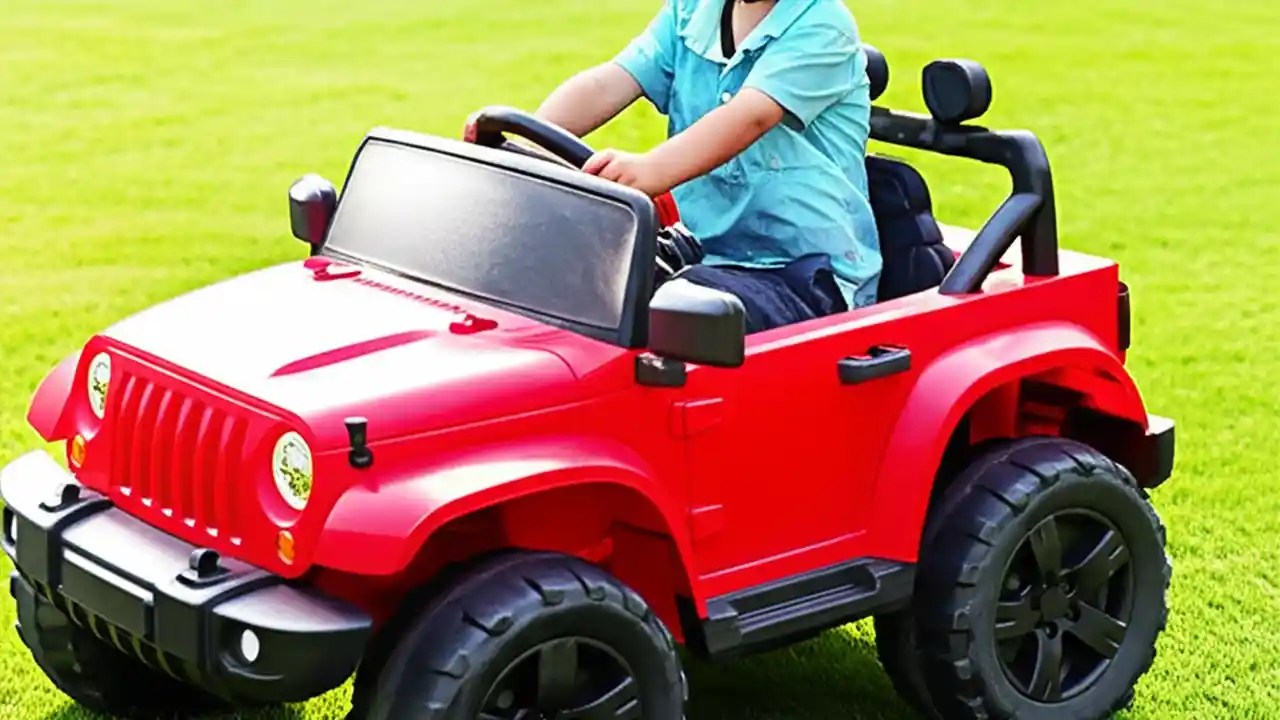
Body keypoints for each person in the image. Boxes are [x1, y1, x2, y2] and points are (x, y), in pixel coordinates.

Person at [536, 0, 881, 332]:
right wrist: (526, 137)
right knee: (571, 272)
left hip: (803, 276)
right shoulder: (691, 11)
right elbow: (609, 82)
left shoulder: (823, 24)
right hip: (705, 251)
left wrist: (648, 170)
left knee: (671, 307)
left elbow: (751, 116)